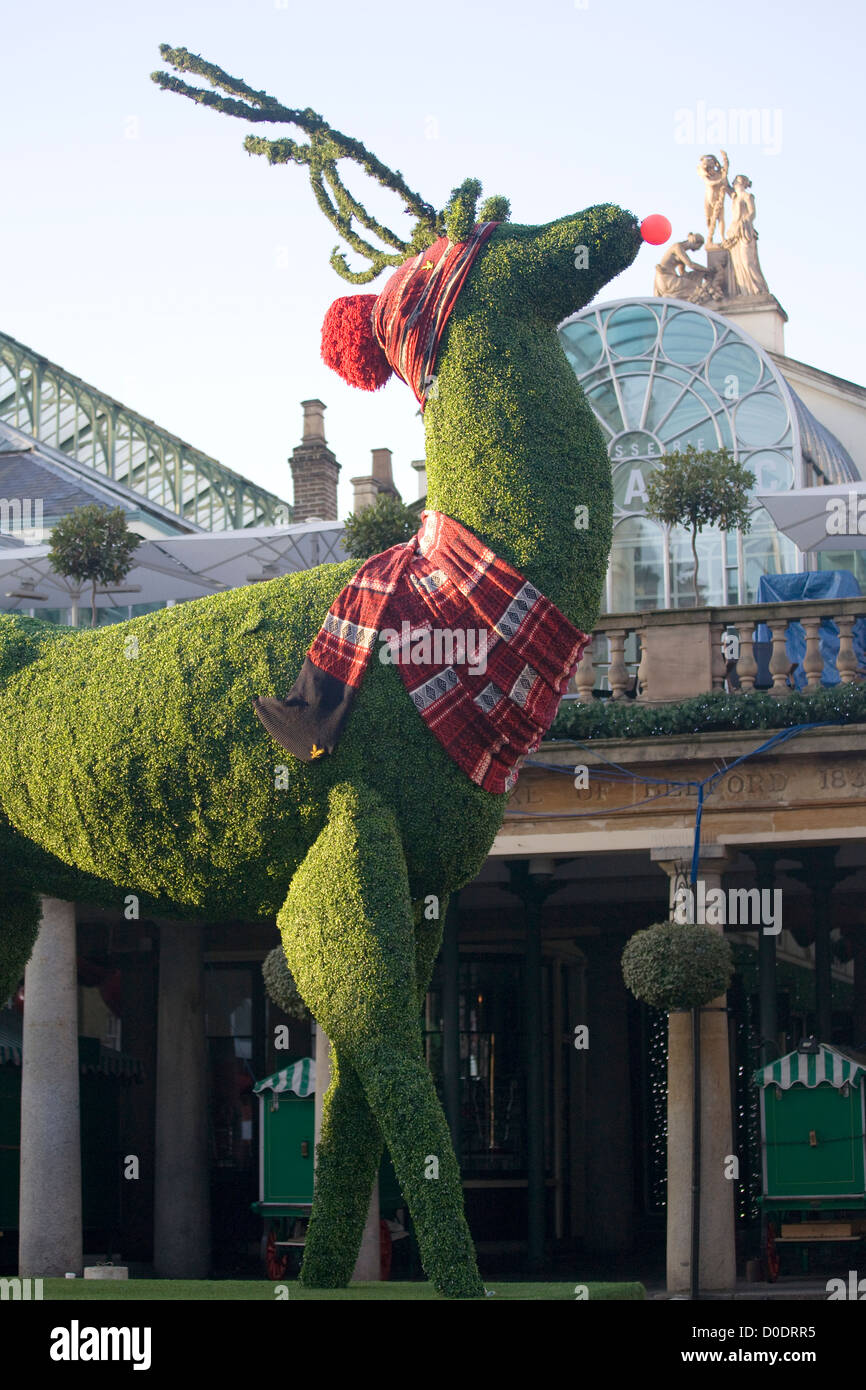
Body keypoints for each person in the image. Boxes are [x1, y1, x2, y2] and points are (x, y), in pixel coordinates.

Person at [723, 175, 769, 296]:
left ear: (743, 183)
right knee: (737, 264)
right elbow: (724, 182)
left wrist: (744, 221)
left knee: (747, 261)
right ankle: (745, 292)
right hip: (734, 233)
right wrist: (723, 164)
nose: (735, 183)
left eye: (737, 180)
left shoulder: (747, 196)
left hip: (745, 230)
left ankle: (758, 289)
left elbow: (752, 213)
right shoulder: (734, 197)